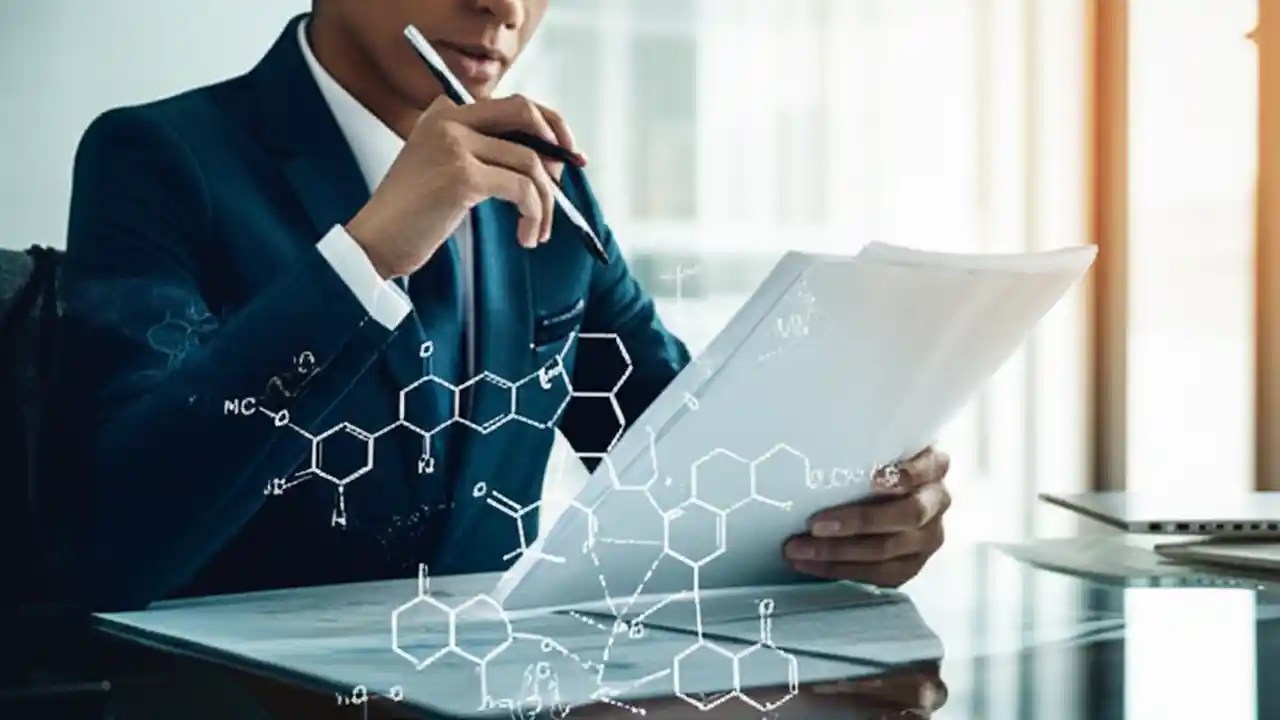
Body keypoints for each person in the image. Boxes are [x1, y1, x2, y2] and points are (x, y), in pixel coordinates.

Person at [54, 0, 951, 612]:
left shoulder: (547, 197)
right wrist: (365, 258)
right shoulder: (159, 158)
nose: (506, 4)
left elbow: (691, 468)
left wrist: (847, 516)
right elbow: (124, 530)